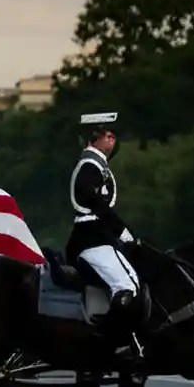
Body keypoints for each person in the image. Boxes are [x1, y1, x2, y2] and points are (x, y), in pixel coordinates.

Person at [65, 111, 145, 371]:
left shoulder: (97, 165)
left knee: (133, 279)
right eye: (106, 135)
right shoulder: (89, 166)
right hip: (91, 238)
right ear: (93, 138)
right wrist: (122, 230)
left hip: (99, 237)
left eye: (113, 135)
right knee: (127, 286)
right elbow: (94, 202)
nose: (112, 140)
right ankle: (111, 341)